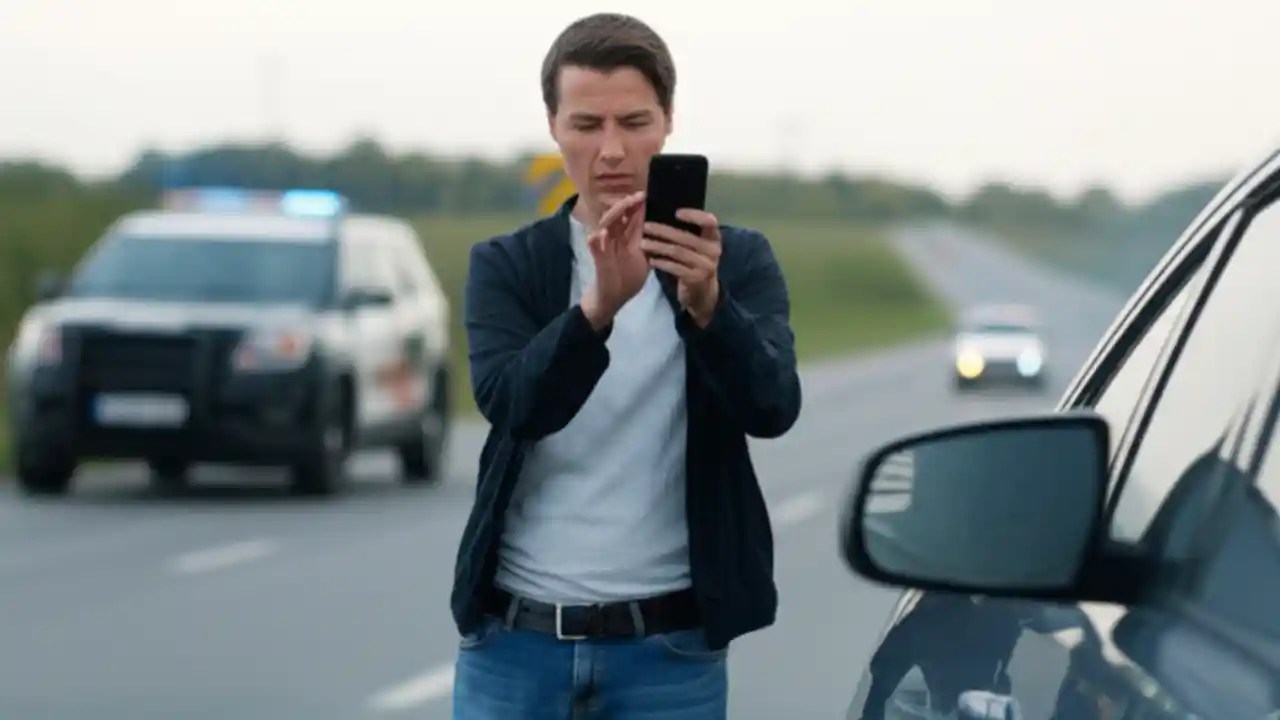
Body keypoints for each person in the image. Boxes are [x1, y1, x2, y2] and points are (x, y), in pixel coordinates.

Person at [448, 11, 802, 719]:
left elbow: (771, 409)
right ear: (553, 128)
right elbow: (515, 406)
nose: (612, 150)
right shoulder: (508, 265)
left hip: (669, 652)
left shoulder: (734, 259)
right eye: (586, 125)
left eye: (634, 121)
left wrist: (708, 306)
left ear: (668, 121)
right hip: (515, 645)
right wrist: (596, 312)